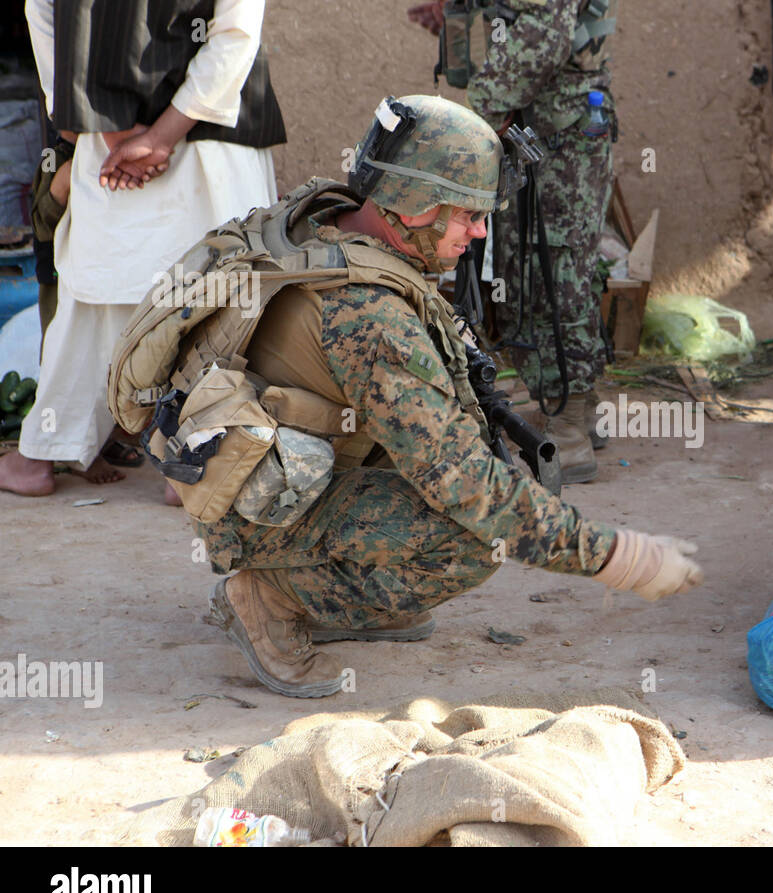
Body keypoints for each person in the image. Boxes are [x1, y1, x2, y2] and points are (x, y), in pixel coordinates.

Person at [154, 95, 700, 699]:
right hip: (255, 505)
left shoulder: (330, 225)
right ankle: (266, 594)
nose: (481, 230)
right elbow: (469, 486)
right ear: (415, 207)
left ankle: (319, 587)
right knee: (470, 537)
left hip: (259, 470)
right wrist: (614, 556)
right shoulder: (368, 319)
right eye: (468, 214)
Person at [0, 0, 281, 497]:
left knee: (97, 306)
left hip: (110, 149)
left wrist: (110, 130)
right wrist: (163, 135)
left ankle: (39, 456)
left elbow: (45, 13)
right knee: (219, 303)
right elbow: (235, 34)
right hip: (213, 142)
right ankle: (194, 457)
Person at [409, 0, 617, 483]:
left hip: (561, 126)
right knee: (531, 266)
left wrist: (482, 109)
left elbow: (547, 26)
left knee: (557, 269)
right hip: (537, 124)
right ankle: (574, 404)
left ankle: (569, 422)